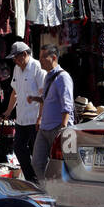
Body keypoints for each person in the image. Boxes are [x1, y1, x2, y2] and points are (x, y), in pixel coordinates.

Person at [31, 45, 74, 183]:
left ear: (54, 58)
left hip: (58, 128)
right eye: (40, 56)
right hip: (45, 128)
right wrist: (38, 113)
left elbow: (67, 104)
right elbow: (47, 100)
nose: (40, 60)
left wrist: (63, 127)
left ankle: (61, 194)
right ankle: (47, 191)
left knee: (62, 167)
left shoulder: (63, 77)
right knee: (37, 163)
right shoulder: (48, 77)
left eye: (44, 57)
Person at [1, 41, 41, 182]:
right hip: (21, 118)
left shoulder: (37, 67)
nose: (14, 61)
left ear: (24, 54)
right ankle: (32, 179)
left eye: (16, 57)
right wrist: (8, 110)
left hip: (35, 118)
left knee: (38, 153)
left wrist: (41, 117)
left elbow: (43, 94)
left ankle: (43, 180)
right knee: (18, 148)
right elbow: (15, 92)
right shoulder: (17, 69)